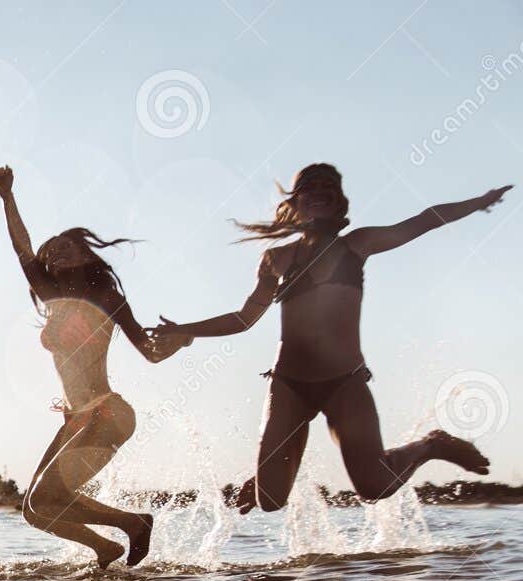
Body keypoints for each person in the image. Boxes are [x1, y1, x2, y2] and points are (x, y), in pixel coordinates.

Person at [155, 164, 509, 512]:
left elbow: (425, 220)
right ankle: (271, 474)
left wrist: (479, 202)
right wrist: (187, 329)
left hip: (344, 382)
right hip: (288, 383)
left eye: (329, 189)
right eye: (311, 188)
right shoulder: (276, 258)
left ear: (340, 202)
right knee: (271, 501)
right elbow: (244, 318)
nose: (320, 193)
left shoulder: (358, 244)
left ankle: (430, 445)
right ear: (295, 201)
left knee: (373, 487)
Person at [0, 166, 185, 568]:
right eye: (51, 252)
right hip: (76, 419)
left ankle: (135, 523)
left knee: (47, 498)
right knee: (34, 510)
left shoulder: (107, 296)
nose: (55, 254)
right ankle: (105, 548)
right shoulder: (52, 296)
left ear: (85, 256)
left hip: (106, 414)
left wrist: (179, 339)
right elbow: (22, 248)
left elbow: (149, 352)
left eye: (65, 248)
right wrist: (7, 196)